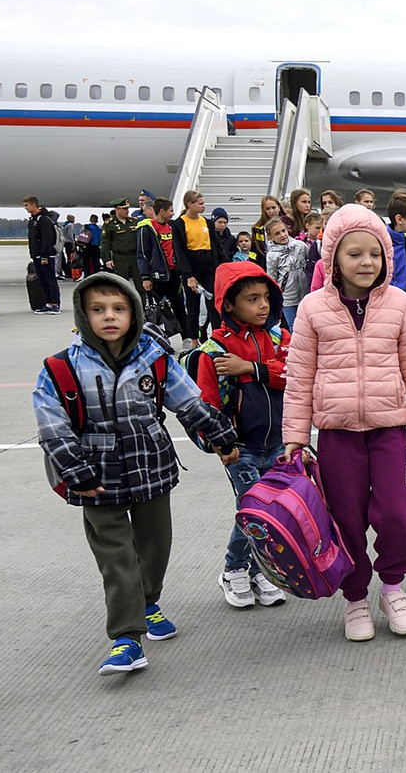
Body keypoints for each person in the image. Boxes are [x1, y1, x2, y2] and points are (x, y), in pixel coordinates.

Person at [33, 273, 238, 675]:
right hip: (94, 476)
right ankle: (127, 638)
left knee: (154, 546)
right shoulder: (60, 368)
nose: (109, 317)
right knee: (116, 557)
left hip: (151, 470)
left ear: (134, 313)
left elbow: (189, 402)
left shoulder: (156, 359)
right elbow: (51, 426)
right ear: (82, 314)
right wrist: (76, 471)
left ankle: (148, 602)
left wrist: (219, 434)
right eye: (98, 309)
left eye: (118, 309)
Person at [281, 204, 406, 642]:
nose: (366, 263)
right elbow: (299, 377)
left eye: (374, 254)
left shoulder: (398, 304)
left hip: (388, 429)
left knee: (397, 513)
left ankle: (392, 586)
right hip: (336, 434)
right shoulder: (313, 308)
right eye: (353, 254)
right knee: (347, 520)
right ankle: (355, 596)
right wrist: (296, 435)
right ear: (332, 257)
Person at [192, 261, 290, 610]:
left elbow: (295, 373)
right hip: (242, 449)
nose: (263, 305)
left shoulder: (279, 337)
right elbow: (207, 404)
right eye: (252, 299)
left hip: (278, 444)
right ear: (228, 305)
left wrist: (250, 368)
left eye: (266, 297)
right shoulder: (214, 350)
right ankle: (234, 569)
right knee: (252, 512)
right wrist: (221, 444)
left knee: (273, 512)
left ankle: (261, 569)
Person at [136, 198, 191, 339]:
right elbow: (142, 254)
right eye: (171, 210)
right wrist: (145, 277)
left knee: (179, 306)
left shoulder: (172, 226)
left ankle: (187, 337)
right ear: (162, 211)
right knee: (158, 311)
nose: (173, 214)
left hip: (173, 274)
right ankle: (159, 339)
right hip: (156, 276)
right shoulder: (146, 228)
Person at [173, 190, 221, 347]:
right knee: (193, 307)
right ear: (190, 204)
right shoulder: (180, 224)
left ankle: (216, 336)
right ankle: (194, 340)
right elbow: (179, 251)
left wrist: (223, 264)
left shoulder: (206, 222)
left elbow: (215, 246)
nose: (203, 207)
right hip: (192, 265)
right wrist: (188, 275)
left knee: (213, 303)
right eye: (200, 204)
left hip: (208, 265)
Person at [264, 218, 309, 327]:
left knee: (307, 323)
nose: (282, 235)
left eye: (283, 231)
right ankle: (295, 344)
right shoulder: (272, 255)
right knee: (293, 325)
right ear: (270, 237)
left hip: (305, 292)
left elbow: (310, 264)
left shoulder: (300, 246)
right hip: (287, 297)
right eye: (277, 233)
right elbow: (272, 277)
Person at [23, 196, 61, 314]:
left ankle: (55, 304)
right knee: (42, 280)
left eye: (26, 205)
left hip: (45, 255)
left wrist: (44, 255)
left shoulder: (43, 219)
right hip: (37, 255)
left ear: (34, 205)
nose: (25, 208)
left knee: (50, 279)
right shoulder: (33, 220)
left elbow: (47, 239)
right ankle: (48, 303)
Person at [100, 198, 142, 289]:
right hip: (120, 257)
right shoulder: (109, 224)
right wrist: (107, 259)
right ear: (117, 209)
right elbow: (105, 242)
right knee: (122, 285)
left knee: (140, 284)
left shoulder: (134, 221)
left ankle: (141, 302)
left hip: (135, 256)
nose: (127, 211)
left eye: (127, 209)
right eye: (124, 209)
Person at [250, 195, 284, 263]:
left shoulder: (288, 225)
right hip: (265, 263)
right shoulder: (257, 229)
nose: (271, 211)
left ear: (279, 207)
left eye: (273, 207)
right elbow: (254, 251)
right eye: (268, 209)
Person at [78, 214, 102, 278]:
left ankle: (86, 274)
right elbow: (100, 238)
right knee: (95, 262)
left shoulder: (86, 227)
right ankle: (96, 275)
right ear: (97, 220)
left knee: (86, 262)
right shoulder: (98, 229)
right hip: (95, 246)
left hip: (86, 246)